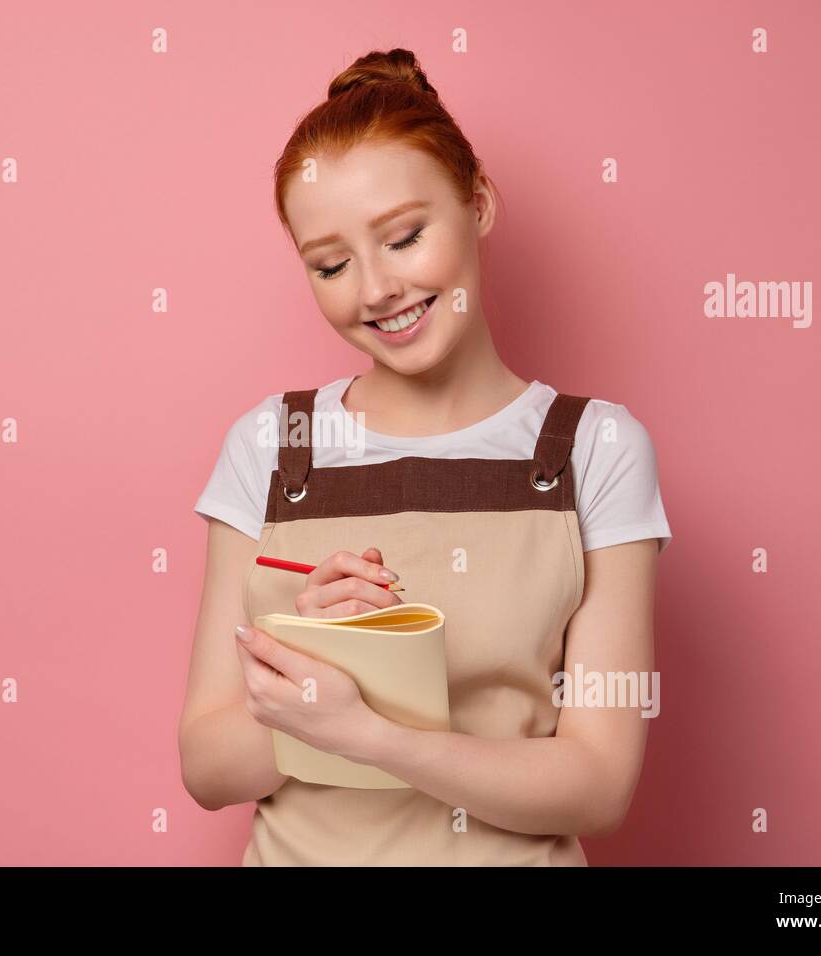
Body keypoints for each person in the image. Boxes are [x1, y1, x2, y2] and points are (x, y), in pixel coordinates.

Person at [178, 48, 672, 866]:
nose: (375, 289)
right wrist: (316, 659)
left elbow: (598, 783)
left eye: (404, 238)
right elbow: (207, 765)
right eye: (331, 265)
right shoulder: (274, 445)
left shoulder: (595, 448)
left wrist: (369, 731)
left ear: (477, 202)